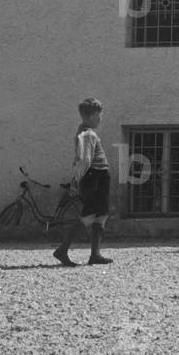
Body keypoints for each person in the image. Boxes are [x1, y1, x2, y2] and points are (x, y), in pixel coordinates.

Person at [53, 97, 114, 267]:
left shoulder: (84, 132)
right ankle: (62, 250)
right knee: (89, 215)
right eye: (99, 115)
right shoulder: (88, 134)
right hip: (94, 176)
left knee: (101, 214)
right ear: (92, 116)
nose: (101, 119)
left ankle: (95, 254)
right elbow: (85, 160)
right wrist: (77, 179)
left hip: (98, 176)